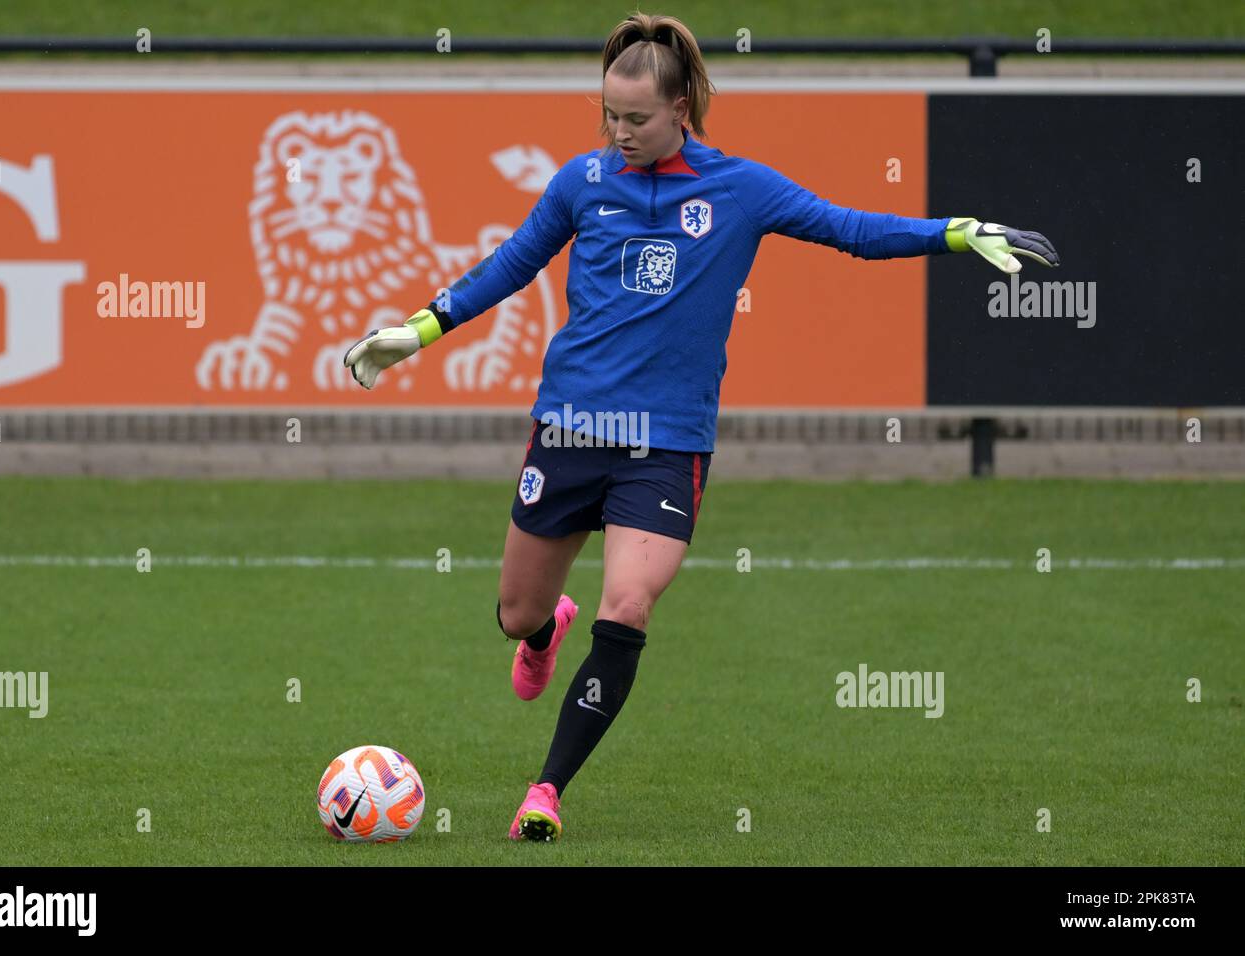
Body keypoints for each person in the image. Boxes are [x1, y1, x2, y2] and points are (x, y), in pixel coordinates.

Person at [344, 12, 1059, 842]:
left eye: (636, 119)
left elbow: (850, 230)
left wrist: (954, 233)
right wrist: (419, 330)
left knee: (631, 605)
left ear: (681, 108)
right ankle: (543, 633)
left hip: (668, 444)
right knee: (513, 611)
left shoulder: (740, 189)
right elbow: (510, 264)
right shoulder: (582, 181)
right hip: (569, 432)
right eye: (609, 116)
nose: (620, 133)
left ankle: (546, 792)